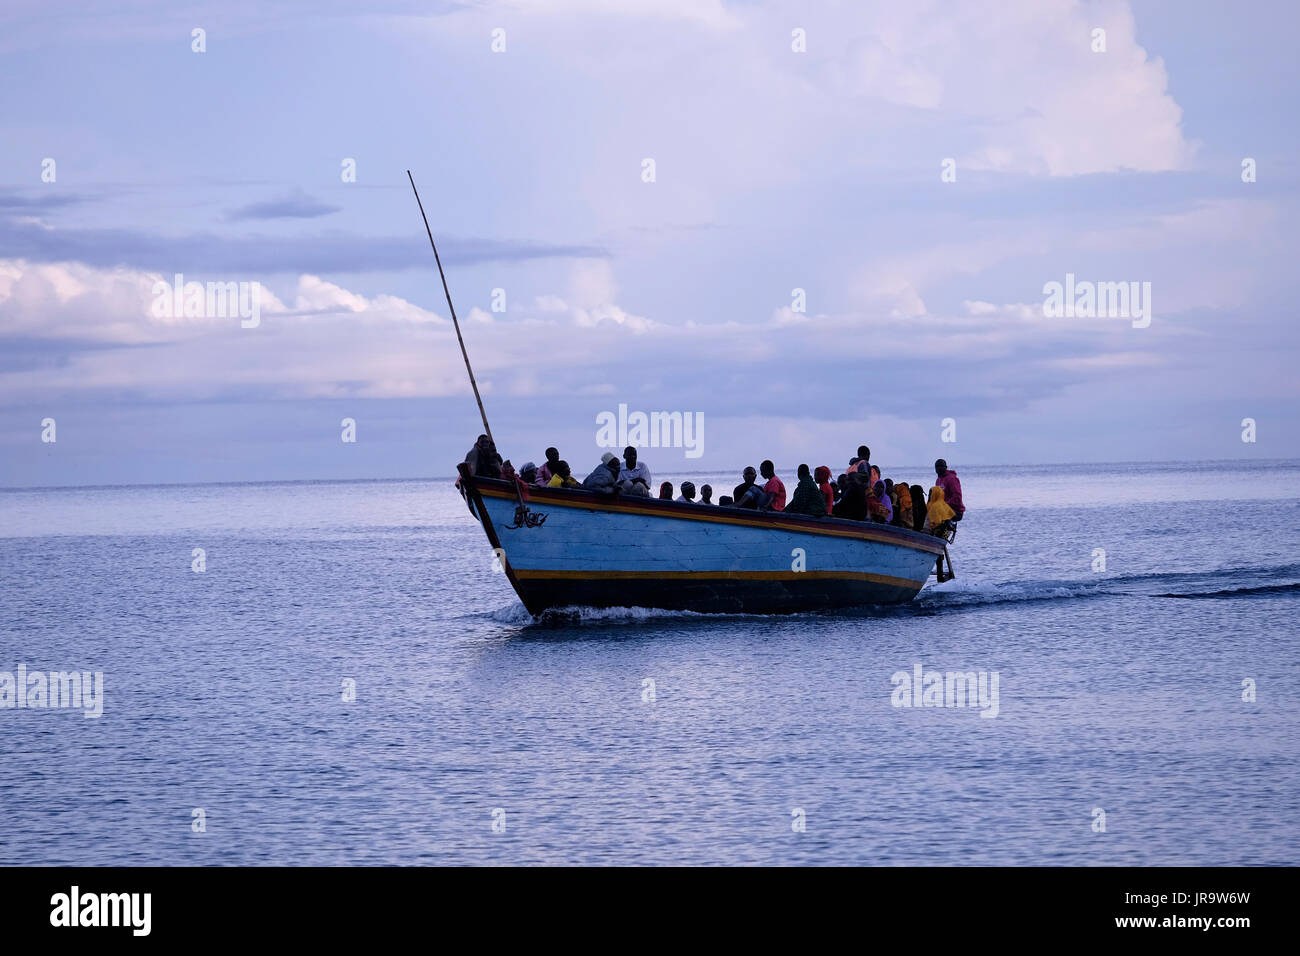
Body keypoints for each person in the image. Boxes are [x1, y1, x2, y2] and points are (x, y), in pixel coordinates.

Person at [927, 484, 957, 581]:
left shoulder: (936, 506)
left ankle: (940, 575)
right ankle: (940, 575)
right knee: (939, 553)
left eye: (931, 494)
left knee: (938, 553)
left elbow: (937, 521)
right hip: (942, 533)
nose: (930, 495)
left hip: (940, 532)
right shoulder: (942, 505)